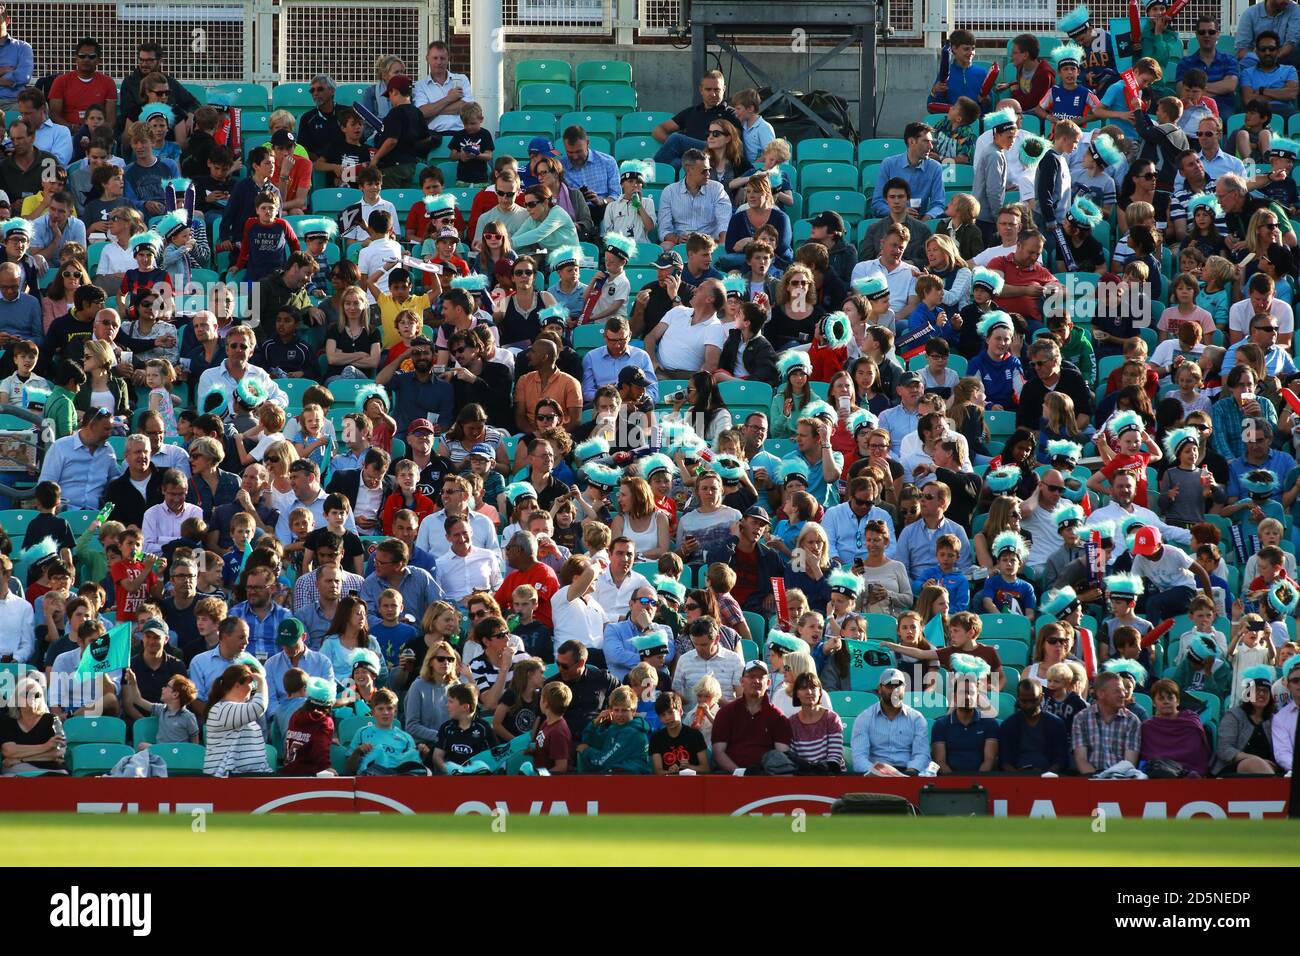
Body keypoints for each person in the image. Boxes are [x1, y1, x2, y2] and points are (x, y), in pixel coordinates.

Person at [710, 659, 792, 772]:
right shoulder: (726, 713)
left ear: (768, 683)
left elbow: (782, 756)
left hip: (766, 777)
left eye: (761, 677)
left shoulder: (778, 717)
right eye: (751, 676)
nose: (756, 681)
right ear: (742, 681)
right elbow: (718, 753)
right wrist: (740, 773)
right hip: (730, 777)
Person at [653, 70, 740, 171]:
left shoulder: (731, 114)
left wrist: (679, 144)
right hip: (693, 159)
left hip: (716, 156)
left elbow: (734, 144)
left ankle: (647, 172)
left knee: (676, 139)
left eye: (717, 90)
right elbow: (658, 130)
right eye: (708, 89)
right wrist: (675, 147)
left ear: (724, 89)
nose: (713, 94)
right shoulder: (691, 112)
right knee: (675, 163)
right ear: (701, 90)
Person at [850, 668, 931, 774]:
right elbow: (859, 757)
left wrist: (911, 771)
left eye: (898, 685)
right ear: (879, 688)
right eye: (889, 686)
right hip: (875, 774)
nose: (894, 690)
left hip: (907, 772)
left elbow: (922, 754)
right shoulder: (864, 718)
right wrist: (877, 772)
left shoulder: (917, 718)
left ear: (904, 688)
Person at [203, 662, 270, 776]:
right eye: (250, 683)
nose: (253, 687)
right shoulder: (221, 709)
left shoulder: (238, 709)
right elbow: (259, 707)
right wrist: (261, 682)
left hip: (247, 776)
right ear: (237, 685)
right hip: (226, 778)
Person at [1072, 670, 1142, 775]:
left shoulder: (1132, 721)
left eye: (1123, 690)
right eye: (1117, 691)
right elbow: (1081, 760)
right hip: (1091, 780)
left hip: (1120, 780)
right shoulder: (1081, 719)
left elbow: (1129, 763)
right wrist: (1099, 780)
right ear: (1101, 694)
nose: (1123, 694)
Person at [871, 122, 945, 219]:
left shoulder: (935, 168)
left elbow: (939, 204)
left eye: (931, 142)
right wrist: (898, 212)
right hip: (893, 221)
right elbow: (877, 202)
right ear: (911, 142)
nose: (931, 146)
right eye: (926, 141)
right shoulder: (889, 164)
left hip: (921, 221)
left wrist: (928, 217)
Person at [998, 679, 1069, 773]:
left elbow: (1061, 760)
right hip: (1016, 778)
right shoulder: (1008, 725)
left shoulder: (1056, 724)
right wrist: (1018, 776)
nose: (1029, 706)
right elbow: (1004, 761)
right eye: (1024, 701)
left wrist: (1045, 776)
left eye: (1033, 700)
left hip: (1049, 779)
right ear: (1018, 698)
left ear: (1041, 697)